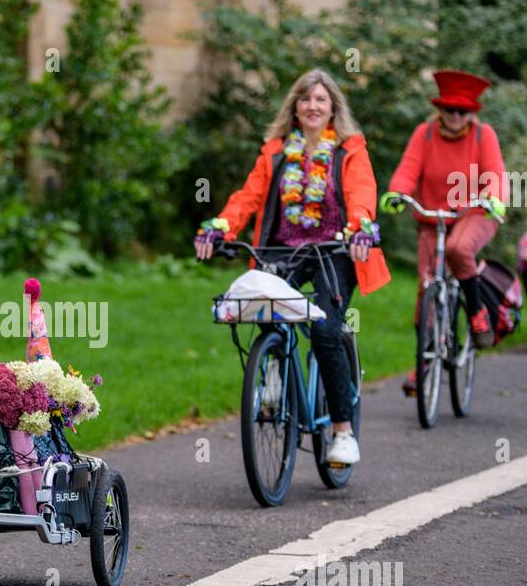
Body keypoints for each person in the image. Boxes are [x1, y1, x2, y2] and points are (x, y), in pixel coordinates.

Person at [194, 69, 390, 466]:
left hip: (335, 250)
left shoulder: (349, 150)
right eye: (305, 99)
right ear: (295, 108)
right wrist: (220, 227)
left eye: (320, 99)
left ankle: (342, 431)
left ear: (333, 107)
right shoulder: (276, 152)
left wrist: (361, 228)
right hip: (283, 248)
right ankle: (273, 375)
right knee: (265, 305)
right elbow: (247, 198)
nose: (312, 106)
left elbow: (362, 193)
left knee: (325, 330)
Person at [381, 70, 507, 397]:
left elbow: (495, 173)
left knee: (459, 249)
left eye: (462, 111)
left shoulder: (484, 136)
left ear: (472, 113)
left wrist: (494, 196)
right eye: (449, 109)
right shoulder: (424, 134)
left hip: (475, 212)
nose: (455, 116)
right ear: (439, 109)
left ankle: (477, 313)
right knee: (426, 288)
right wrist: (396, 193)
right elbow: (408, 169)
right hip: (431, 217)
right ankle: (425, 359)